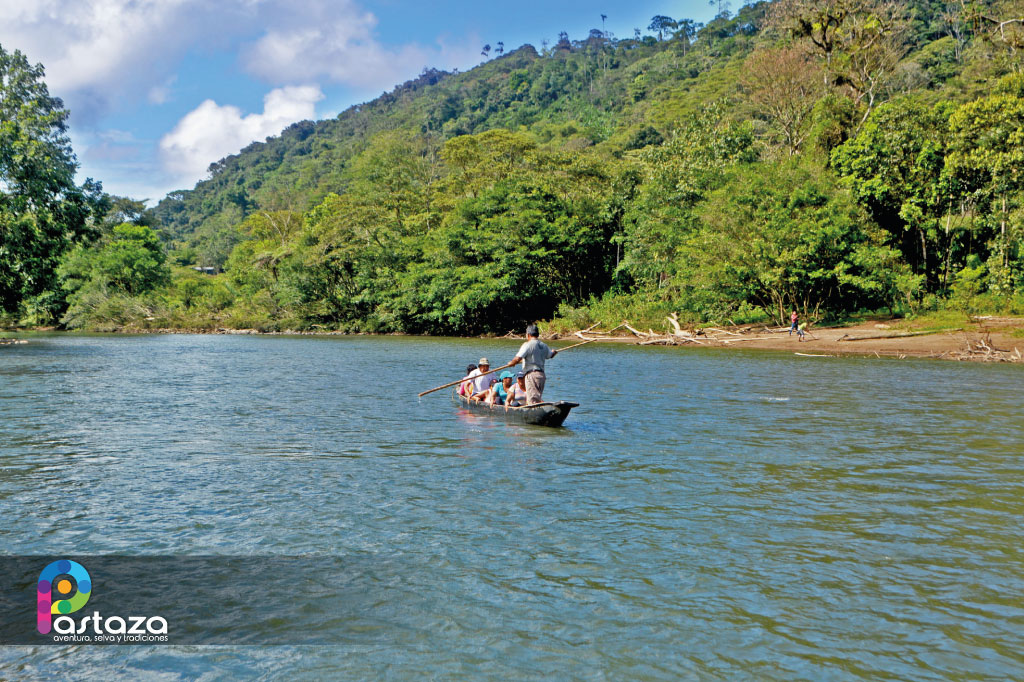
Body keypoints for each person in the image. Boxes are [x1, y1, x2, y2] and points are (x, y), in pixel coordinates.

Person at [508, 324, 557, 405]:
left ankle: (532, 415)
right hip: (541, 375)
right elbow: (550, 355)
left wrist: (512, 363)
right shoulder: (543, 345)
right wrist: (554, 352)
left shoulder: (527, 345)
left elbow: (518, 358)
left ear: (528, 334)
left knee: (532, 400)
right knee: (537, 397)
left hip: (532, 375)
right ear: (537, 334)